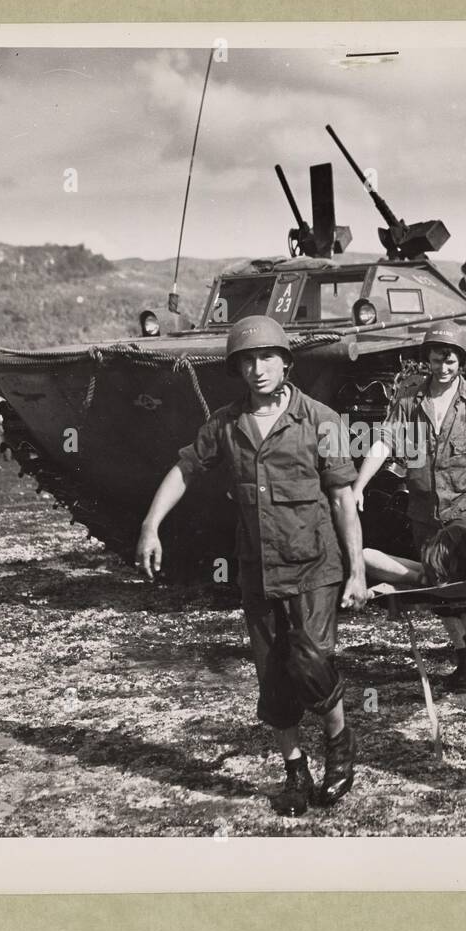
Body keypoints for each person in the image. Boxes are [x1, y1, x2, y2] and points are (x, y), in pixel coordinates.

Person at [136, 315, 368, 818]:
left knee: (310, 665)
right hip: (259, 571)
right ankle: (294, 770)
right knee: (272, 678)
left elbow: (343, 499)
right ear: (237, 368)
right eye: (247, 360)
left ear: (285, 363)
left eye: (267, 358)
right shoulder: (225, 424)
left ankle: (339, 744)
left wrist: (357, 571)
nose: (258, 369)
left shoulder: (322, 421)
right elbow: (184, 468)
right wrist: (150, 525)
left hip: (314, 567)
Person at [352, 320, 466, 692]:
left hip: (464, 507)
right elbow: (384, 442)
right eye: (436, 359)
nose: (443, 368)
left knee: (454, 580)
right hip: (423, 510)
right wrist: (360, 484)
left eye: (450, 360)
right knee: (438, 589)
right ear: (426, 360)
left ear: (460, 361)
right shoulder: (410, 402)